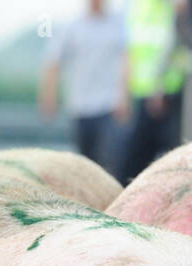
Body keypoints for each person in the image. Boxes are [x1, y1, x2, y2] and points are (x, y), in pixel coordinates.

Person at [39, 0, 132, 179]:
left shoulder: (119, 25)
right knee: (84, 166)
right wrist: (48, 97)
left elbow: (127, 61)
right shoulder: (72, 28)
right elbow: (52, 63)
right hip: (80, 107)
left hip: (109, 106)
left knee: (109, 164)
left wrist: (124, 98)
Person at [123, 0, 188, 180]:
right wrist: (124, 95)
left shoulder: (174, 6)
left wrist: (158, 87)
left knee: (173, 164)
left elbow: (171, 45)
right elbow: (131, 52)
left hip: (166, 95)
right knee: (134, 166)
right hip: (142, 95)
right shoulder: (137, 7)